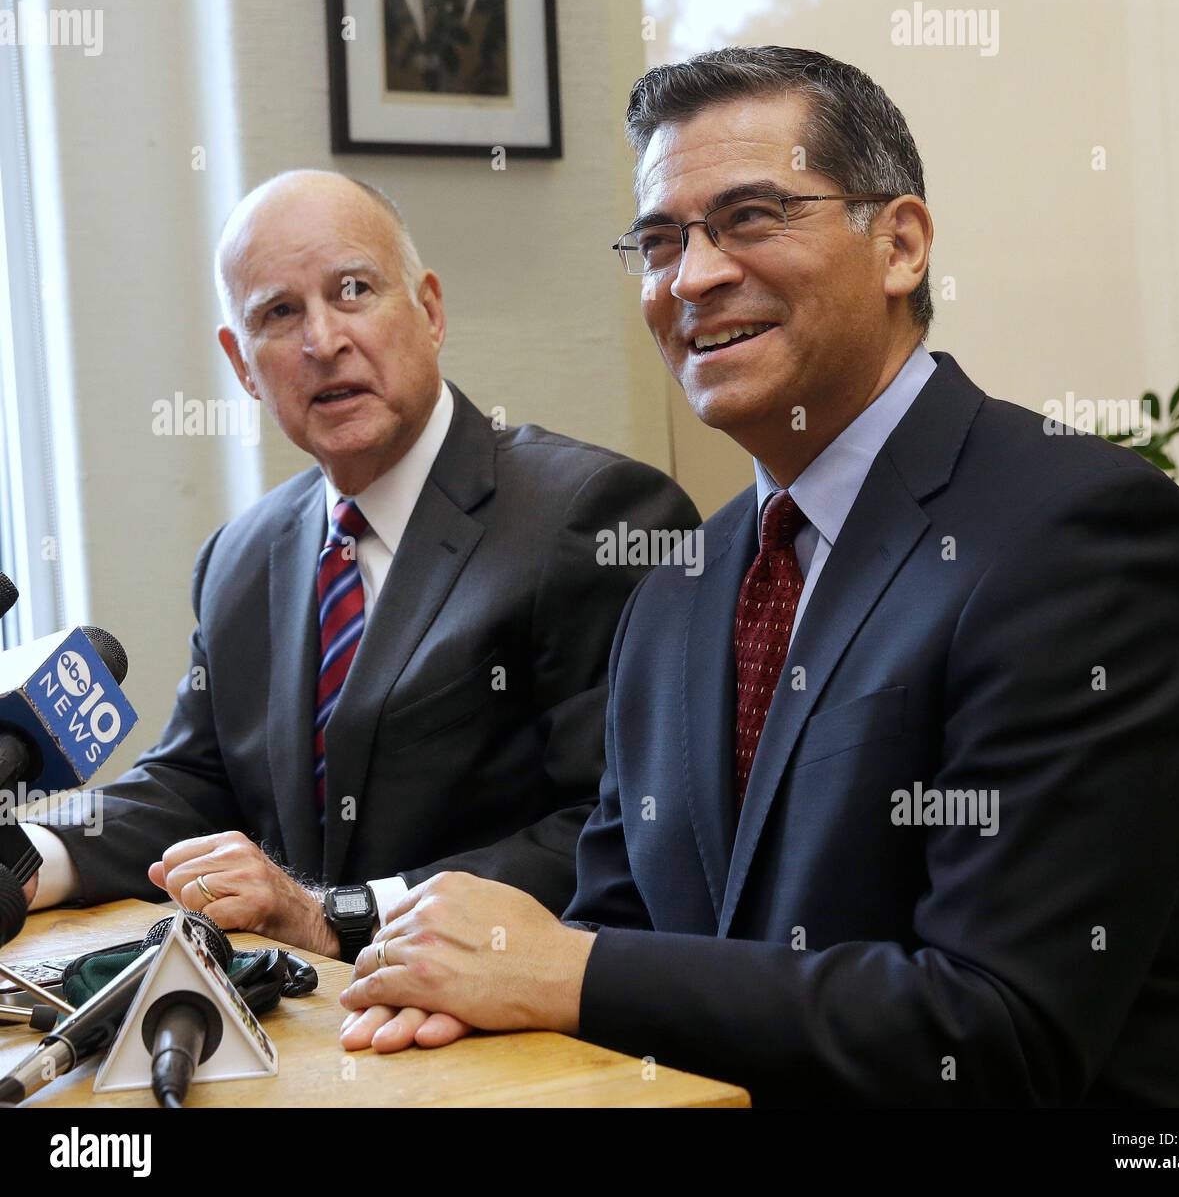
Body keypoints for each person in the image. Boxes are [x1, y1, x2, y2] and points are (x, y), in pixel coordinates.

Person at [336, 48, 1179, 1106]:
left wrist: (563, 969)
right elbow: (623, 934)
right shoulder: (676, 584)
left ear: (899, 243)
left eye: (754, 217)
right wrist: (453, 985)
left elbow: (998, 1027)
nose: (695, 274)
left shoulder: (1078, 534)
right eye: (660, 239)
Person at [19, 170, 699, 993]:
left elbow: (618, 832)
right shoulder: (243, 553)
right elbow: (196, 782)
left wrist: (335, 913)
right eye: (278, 313)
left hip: (513, 1032)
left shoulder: (594, 513)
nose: (323, 340)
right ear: (241, 364)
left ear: (432, 310)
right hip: (310, 1034)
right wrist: (30, 858)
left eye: (354, 291)